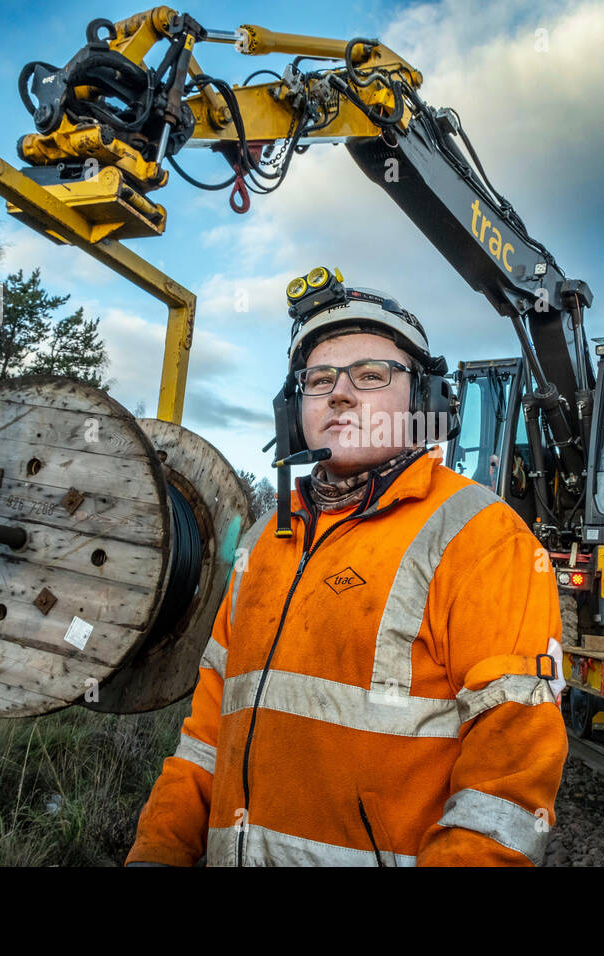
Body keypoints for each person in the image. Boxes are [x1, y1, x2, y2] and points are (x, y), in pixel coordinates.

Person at [124, 268, 568, 867]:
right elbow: (207, 738)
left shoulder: (482, 539)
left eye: (370, 375)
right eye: (319, 379)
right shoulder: (264, 541)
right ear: (294, 408)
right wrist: (156, 854)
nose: (338, 393)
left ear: (424, 403)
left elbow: (507, 781)